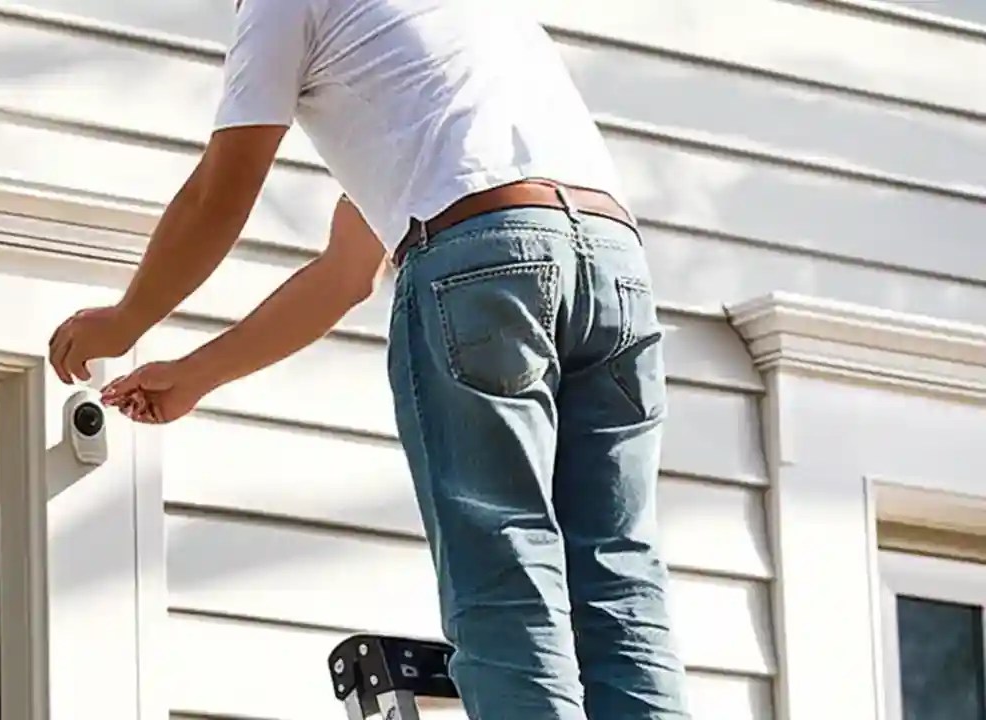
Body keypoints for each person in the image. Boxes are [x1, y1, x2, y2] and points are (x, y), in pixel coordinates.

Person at [46, 0, 691, 717]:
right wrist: (196, 374)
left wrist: (127, 317)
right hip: (614, 268)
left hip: (485, 260)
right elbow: (346, 271)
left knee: (506, 575)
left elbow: (218, 192)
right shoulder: (439, 47)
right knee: (619, 577)